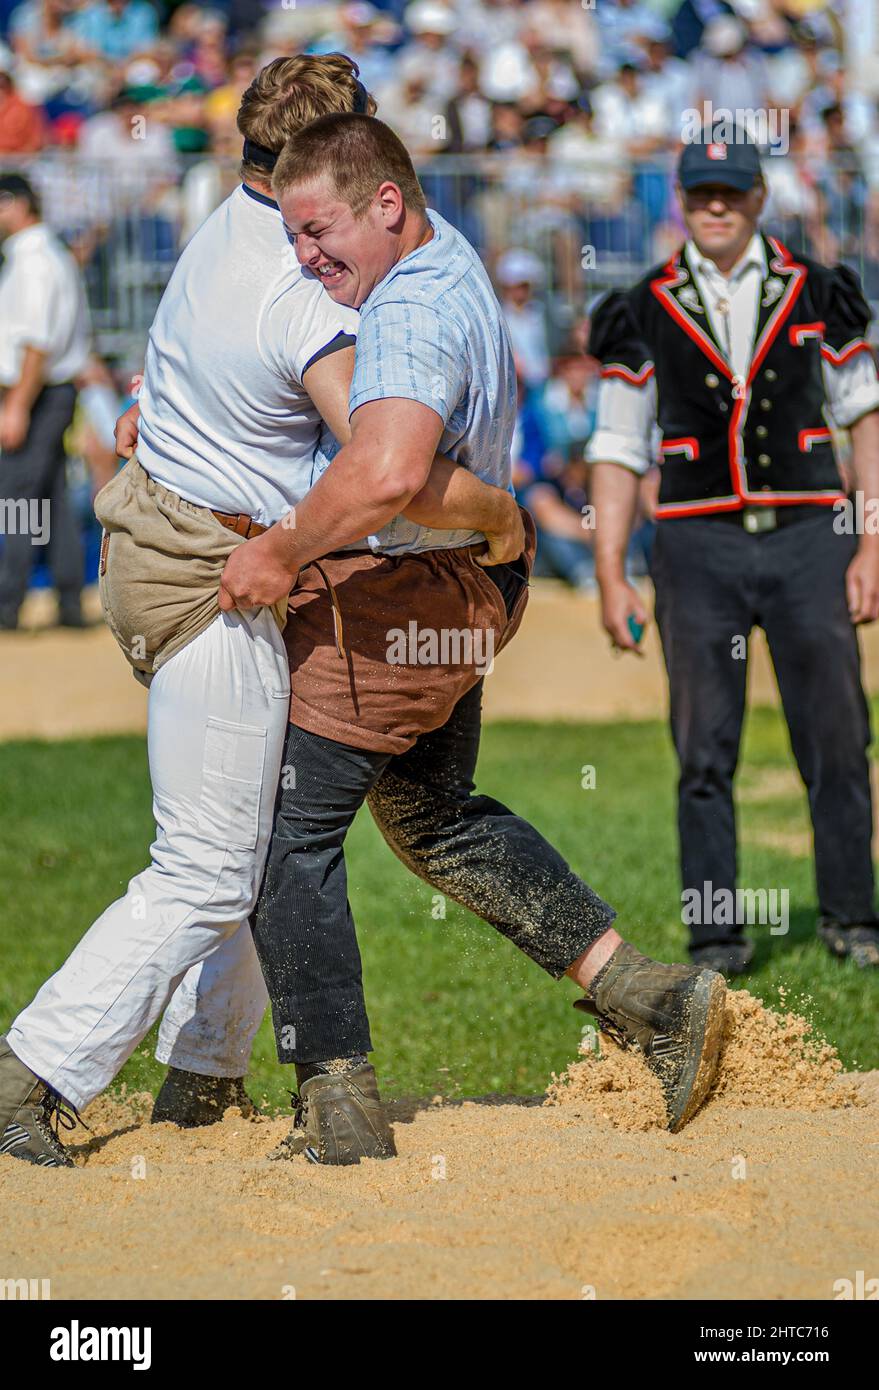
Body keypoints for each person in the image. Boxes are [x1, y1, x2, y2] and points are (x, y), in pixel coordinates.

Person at [0, 56, 522, 1166]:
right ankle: (30, 1072)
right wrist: (504, 516)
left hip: (155, 542)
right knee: (208, 862)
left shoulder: (223, 223)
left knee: (248, 820)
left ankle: (205, 1069)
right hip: (210, 579)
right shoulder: (308, 296)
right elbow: (394, 479)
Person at [213, 113, 728, 1164]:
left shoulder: (405, 309)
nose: (305, 256)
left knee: (283, 835)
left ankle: (339, 1103)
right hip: (463, 592)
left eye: (317, 231)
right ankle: (652, 996)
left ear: (386, 205)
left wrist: (281, 550)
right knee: (432, 812)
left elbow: (391, 470)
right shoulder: (445, 258)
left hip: (405, 603)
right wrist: (496, 518)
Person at [589, 126, 879, 976]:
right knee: (703, 746)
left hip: (809, 540)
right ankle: (715, 933)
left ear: (757, 197)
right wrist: (610, 571)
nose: (715, 206)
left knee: (835, 735)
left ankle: (852, 916)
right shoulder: (639, 307)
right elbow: (616, 448)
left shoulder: (822, 291)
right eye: (700, 193)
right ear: (681, 200)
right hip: (695, 543)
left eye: (731, 191)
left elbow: (864, 419)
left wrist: (868, 544)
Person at [0, 171, 90, 630]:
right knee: (50, 497)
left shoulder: (33, 260)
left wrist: (15, 404)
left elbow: (35, 343)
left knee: (18, 498)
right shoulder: (46, 255)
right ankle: (69, 599)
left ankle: (8, 604)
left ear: (17, 204)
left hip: (35, 392)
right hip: (49, 391)